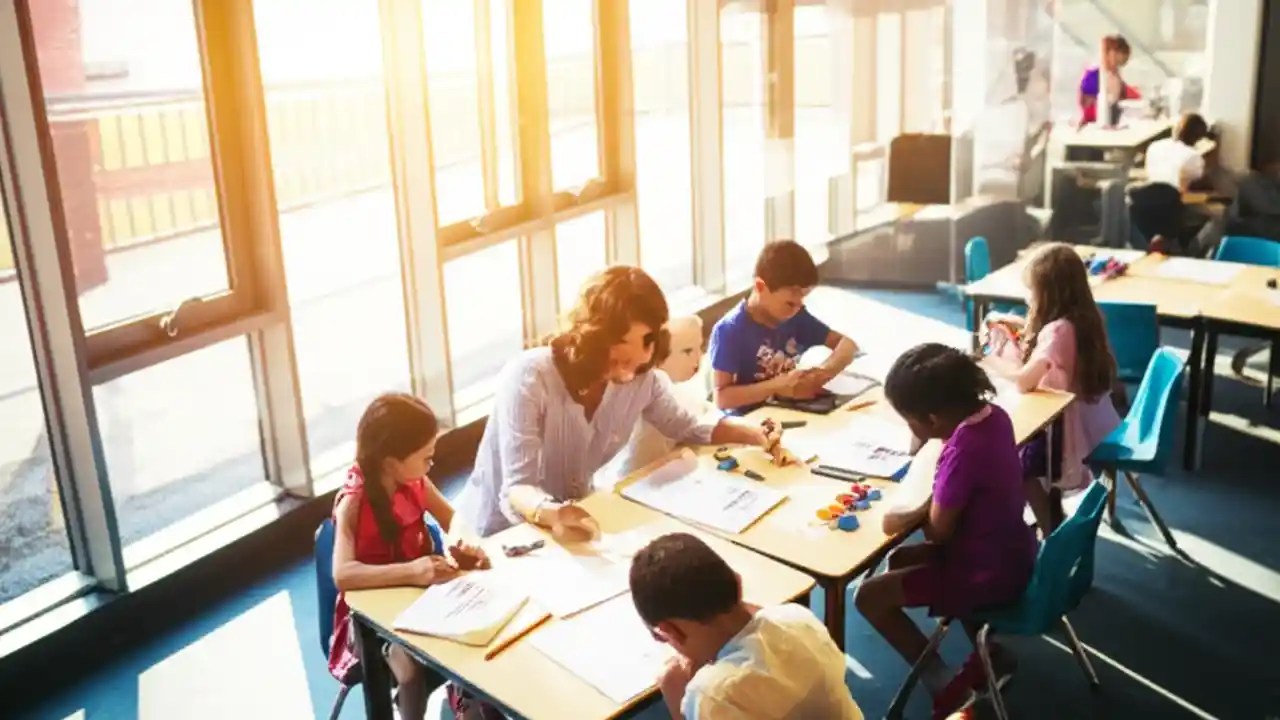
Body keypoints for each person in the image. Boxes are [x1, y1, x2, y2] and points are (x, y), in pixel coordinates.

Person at [458, 266, 774, 538]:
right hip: (499, 536)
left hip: (578, 524)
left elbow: (688, 426)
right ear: (594, 338)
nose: (630, 371)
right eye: (620, 355)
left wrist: (753, 433)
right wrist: (553, 513)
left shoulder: (641, 377)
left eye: (647, 344)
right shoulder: (530, 376)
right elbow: (516, 489)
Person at [854, 344, 1036, 720]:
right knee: (901, 558)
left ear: (933, 419)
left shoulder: (961, 451)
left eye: (910, 421)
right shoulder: (994, 416)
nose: (911, 430)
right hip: (1014, 550)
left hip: (984, 573)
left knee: (867, 597)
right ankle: (991, 655)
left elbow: (938, 532)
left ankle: (943, 684)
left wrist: (921, 503)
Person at [329, 393, 493, 720]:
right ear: (392, 462)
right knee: (410, 671)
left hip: (422, 596)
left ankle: (469, 705)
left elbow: (454, 518)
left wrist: (463, 539)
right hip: (371, 621)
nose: (431, 464)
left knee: (481, 632)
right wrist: (411, 572)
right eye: (425, 457)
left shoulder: (415, 480)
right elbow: (342, 574)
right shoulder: (354, 501)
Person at [629, 532, 862, 720]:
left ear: (670, 632)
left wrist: (675, 696)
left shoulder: (713, 696)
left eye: (661, 637)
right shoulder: (796, 617)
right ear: (738, 583)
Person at [988, 243, 1121, 533]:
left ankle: (1051, 529)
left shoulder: (1058, 330)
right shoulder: (1086, 318)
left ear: (1049, 292)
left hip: (1067, 427)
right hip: (1091, 418)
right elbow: (1055, 354)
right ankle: (1051, 519)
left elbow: (1024, 381)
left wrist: (991, 363)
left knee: (1020, 463)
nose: (1031, 297)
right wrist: (1022, 327)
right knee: (1026, 452)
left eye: (1034, 290)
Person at [708, 240, 860, 413]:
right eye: (790, 303)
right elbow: (721, 398)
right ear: (760, 287)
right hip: (748, 422)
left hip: (788, 411)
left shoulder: (795, 317)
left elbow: (848, 345)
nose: (797, 310)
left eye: (801, 302)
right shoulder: (730, 331)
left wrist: (823, 372)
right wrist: (776, 386)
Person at [605, 315, 714, 481]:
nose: (698, 358)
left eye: (701, 348)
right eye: (687, 351)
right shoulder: (658, 391)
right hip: (637, 478)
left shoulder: (679, 389)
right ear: (658, 358)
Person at [1078, 34, 1132, 127]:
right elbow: (1086, 104)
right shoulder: (1093, 75)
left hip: (1114, 121)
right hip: (1094, 125)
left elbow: (1124, 96)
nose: (1117, 61)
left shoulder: (1116, 76)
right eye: (1116, 54)